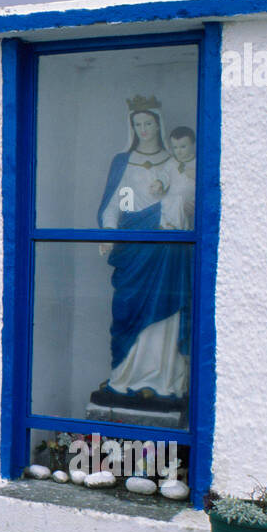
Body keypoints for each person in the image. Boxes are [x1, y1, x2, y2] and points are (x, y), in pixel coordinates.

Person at [95, 97, 192, 404]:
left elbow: (186, 202)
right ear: (132, 127)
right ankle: (124, 377)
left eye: (149, 123)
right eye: (138, 124)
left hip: (165, 250)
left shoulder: (174, 161)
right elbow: (112, 202)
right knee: (126, 309)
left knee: (166, 311)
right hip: (132, 245)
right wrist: (109, 232)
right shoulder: (122, 161)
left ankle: (163, 380)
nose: (144, 129)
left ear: (159, 125)